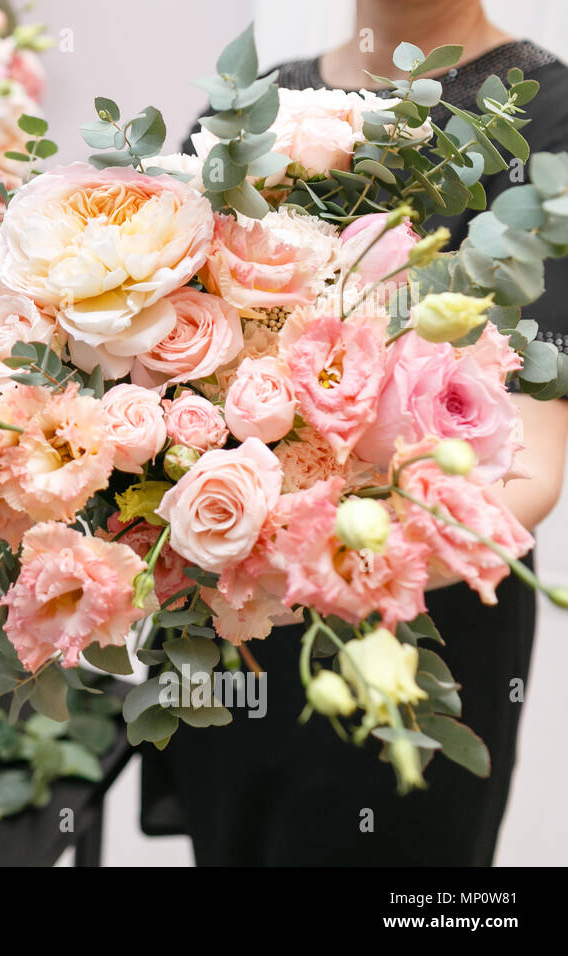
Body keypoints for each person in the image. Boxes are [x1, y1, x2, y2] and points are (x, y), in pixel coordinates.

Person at [136, 0, 568, 866]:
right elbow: (151, 385)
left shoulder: (549, 119)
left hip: (411, 632)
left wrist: (302, 563)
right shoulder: (245, 112)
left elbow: (529, 466)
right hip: (232, 628)